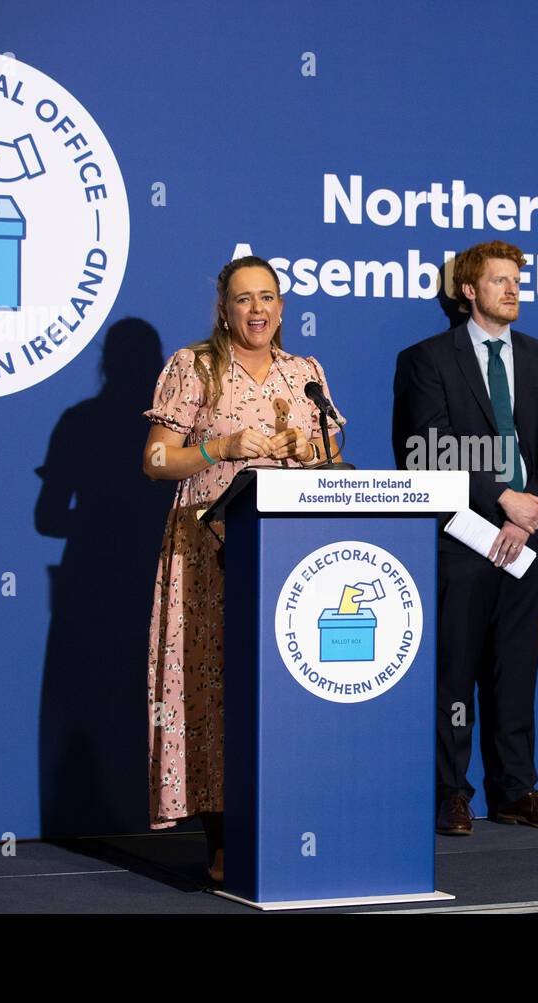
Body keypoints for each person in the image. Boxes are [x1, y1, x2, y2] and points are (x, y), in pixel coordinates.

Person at [141, 255, 343, 881]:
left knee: (283, 681)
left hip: (290, 554)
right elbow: (155, 460)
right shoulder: (193, 366)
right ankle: (223, 837)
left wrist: (309, 449)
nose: (257, 309)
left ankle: (293, 825)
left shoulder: (305, 373)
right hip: (208, 550)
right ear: (224, 310)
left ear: (282, 308)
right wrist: (218, 448)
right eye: (243, 299)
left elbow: (336, 455)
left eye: (268, 298)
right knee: (215, 687)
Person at [393, 239, 538, 835]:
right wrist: (503, 499)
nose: (513, 289)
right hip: (461, 539)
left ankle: (516, 790)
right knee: (455, 673)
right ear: (469, 290)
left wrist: (531, 511)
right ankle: (453, 793)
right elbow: (426, 446)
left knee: (516, 672)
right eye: (500, 280)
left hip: (532, 541)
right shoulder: (427, 358)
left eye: (517, 280)